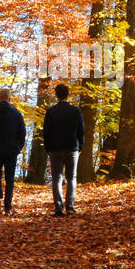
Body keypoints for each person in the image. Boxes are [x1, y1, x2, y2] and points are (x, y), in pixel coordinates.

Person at [42, 82, 85, 216]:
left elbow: (46, 132)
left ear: (56, 95)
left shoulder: (51, 111)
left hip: (55, 149)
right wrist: (80, 146)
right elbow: (81, 131)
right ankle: (70, 207)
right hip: (72, 148)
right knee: (72, 177)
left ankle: (58, 208)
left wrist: (48, 148)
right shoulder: (76, 111)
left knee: (56, 178)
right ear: (68, 94)